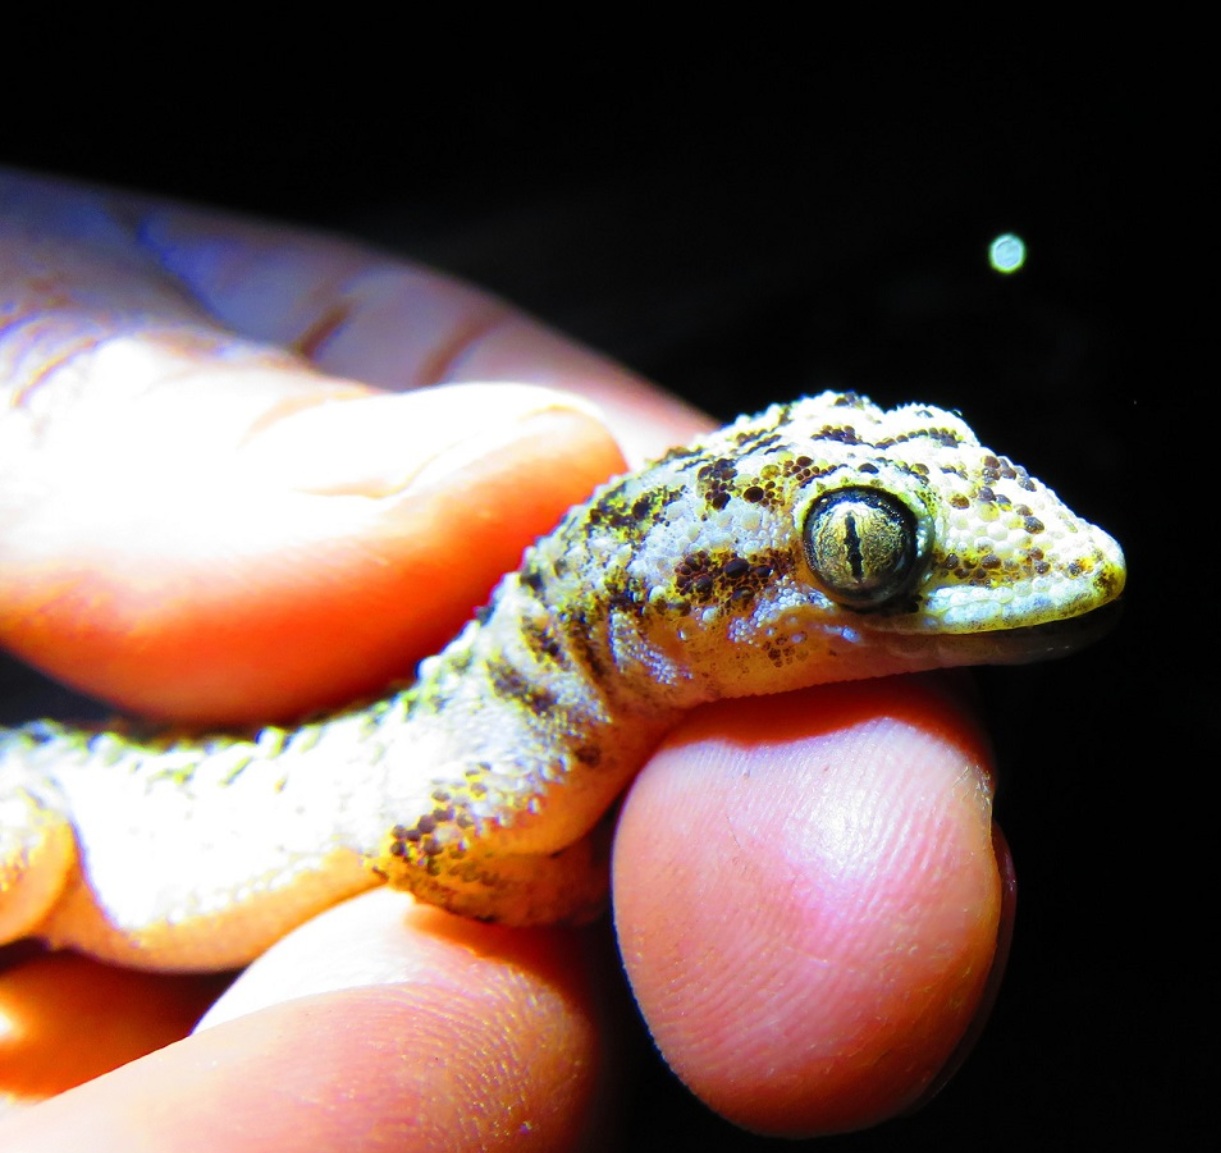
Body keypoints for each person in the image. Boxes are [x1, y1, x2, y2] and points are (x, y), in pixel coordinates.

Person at [0, 168, 1011, 1147]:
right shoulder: (523, 753)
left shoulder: (567, 711)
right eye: (862, 554)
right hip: (68, 810)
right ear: (669, 607)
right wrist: (577, 891)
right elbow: (424, 841)